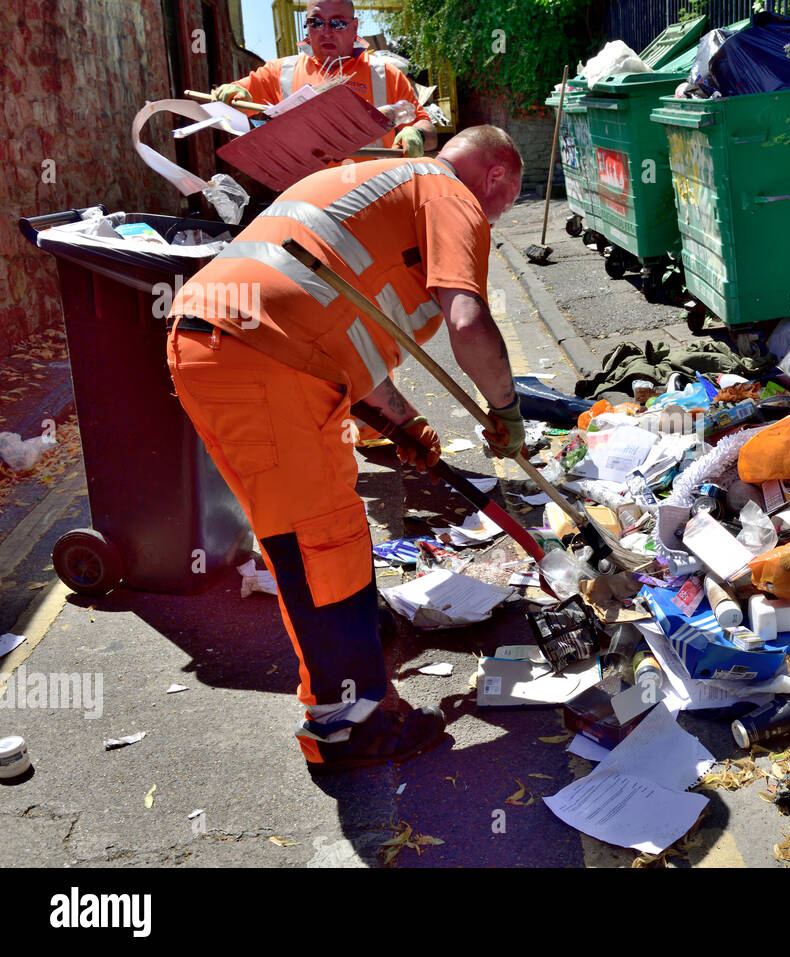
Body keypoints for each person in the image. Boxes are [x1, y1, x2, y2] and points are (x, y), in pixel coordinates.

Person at [166, 126, 526, 773]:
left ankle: (356, 640)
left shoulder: (374, 182)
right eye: (508, 199)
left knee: (309, 527)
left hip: (220, 342)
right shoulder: (450, 193)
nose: (498, 216)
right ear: (496, 175)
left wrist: (403, 421)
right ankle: (346, 722)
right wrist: (506, 411)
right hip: (265, 356)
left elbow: (339, 322)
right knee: (318, 538)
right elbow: (468, 322)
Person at [211, 0, 438, 158]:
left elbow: (428, 132)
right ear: (307, 25)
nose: (326, 32)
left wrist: (416, 134)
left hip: (372, 193)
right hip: (306, 197)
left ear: (354, 27)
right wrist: (232, 95)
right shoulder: (280, 71)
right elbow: (231, 107)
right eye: (316, 23)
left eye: (337, 23)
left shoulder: (385, 75)